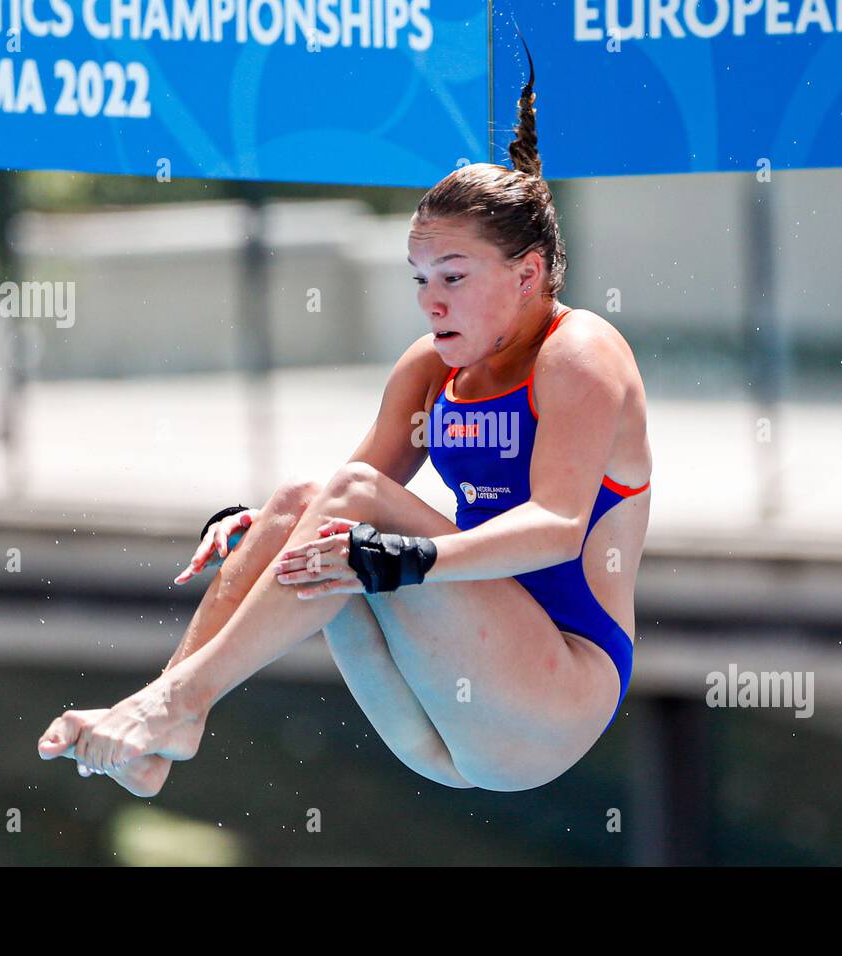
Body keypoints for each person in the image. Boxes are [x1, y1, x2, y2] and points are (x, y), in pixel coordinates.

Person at [37, 42, 652, 795]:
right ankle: (156, 731)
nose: (431, 301)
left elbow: (556, 525)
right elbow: (337, 499)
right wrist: (262, 531)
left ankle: (174, 705)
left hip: (554, 694)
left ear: (528, 275)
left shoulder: (581, 353)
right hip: (442, 721)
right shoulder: (432, 368)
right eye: (421, 278)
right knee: (301, 502)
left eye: (454, 278)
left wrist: (413, 559)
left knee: (348, 507)